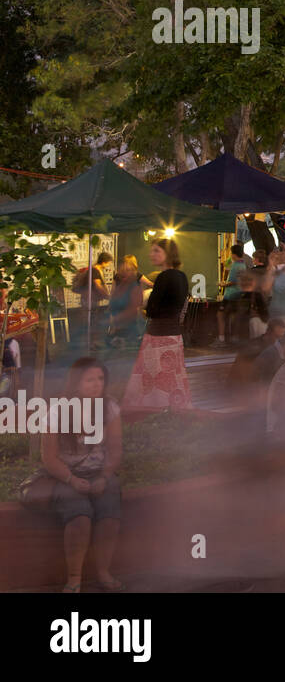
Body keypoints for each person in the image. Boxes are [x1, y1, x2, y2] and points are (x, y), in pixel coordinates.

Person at [40, 357, 124, 593]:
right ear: (76, 383)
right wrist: (71, 479)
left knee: (109, 514)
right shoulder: (57, 411)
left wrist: (105, 476)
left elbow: (116, 450)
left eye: (100, 379)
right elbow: (49, 458)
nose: (97, 384)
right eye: (90, 380)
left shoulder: (109, 407)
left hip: (99, 473)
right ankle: (74, 578)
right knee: (80, 516)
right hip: (65, 475)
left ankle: (103, 573)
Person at [122, 240, 193, 409]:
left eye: (156, 251)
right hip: (174, 334)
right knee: (171, 378)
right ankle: (172, 410)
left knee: (153, 380)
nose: (151, 254)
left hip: (158, 335)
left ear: (167, 254)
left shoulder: (164, 276)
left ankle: (153, 411)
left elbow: (153, 308)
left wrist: (144, 307)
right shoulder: (181, 276)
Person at [105, 256, 145, 348]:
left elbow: (134, 308)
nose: (125, 271)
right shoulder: (121, 283)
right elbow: (113, 297)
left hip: (130, 327)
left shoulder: (135, 284)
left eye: (128, 269)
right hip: (121, 326)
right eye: (123, 268)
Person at [217, 245, 251, 346]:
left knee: (220, 315)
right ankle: (234, 338)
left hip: (230, 295)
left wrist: (222, 284)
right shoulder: (243, 265)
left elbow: (232, 281)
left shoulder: (235, 265)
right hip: (239, 293)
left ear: (234, 254)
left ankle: (221, 338)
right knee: (234, 316)